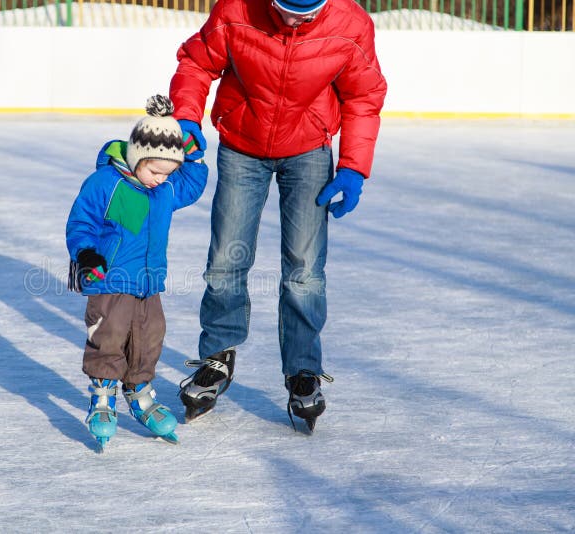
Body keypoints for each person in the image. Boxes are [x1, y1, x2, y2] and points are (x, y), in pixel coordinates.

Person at [170, 0, 387, 431]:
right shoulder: (236, 11)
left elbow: (363, 96)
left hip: (308, 150)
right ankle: (217, 356)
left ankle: (303, 370)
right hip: (241, 147)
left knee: (305, 269)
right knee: (226, 261)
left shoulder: (350, 23)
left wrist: (353, 168)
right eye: (283, 8)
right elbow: (196, 63)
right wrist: (186, 116)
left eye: (304, 14)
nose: (290, 20)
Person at [66, 95, 208, 448]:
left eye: (168, 173)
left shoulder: (165, 188)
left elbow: (192, 183)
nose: (161, 179)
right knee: (109, 335)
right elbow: (81, 221)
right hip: (110, 278)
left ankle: (140, 391)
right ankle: (102, 395)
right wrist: (85, 255)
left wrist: (193, 154)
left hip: (148, 281)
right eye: (155, 171)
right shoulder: (106, 183)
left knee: (150, 335)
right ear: (136, 157)